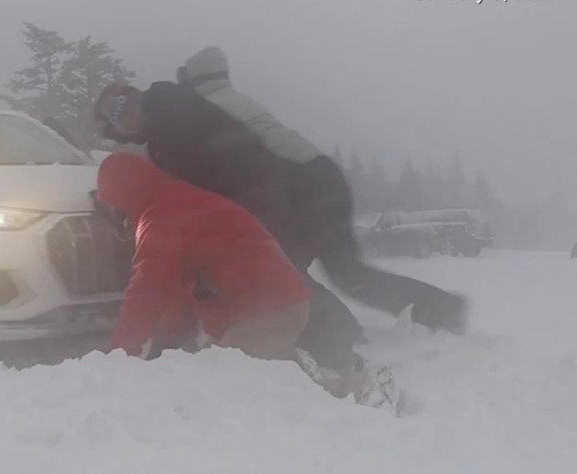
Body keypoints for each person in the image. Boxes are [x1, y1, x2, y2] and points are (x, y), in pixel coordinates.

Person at [94, 79, 466, 373]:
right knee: (334, 272)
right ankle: (367, 332)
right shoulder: (171, 119)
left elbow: (242, 161)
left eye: (125, 99)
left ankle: (346, 343)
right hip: (292, 190)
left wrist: (267, 217)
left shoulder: (172, 123)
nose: (126, 111)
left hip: (290, 193)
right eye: (116, 113)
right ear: (117, 130)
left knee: (297, 274)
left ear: (136, 93)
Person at [177, 47, 468, 335]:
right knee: (345, 272)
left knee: (287, 272)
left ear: (194, 80)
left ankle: (337, 336)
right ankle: (440, 310)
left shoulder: (212, 110)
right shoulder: (236, 101)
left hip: (305, 189)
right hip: (322, 178)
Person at [97, 152, 310, 361]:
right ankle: (325, 387)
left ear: (125, 195)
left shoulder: (161, 219)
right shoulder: (175, 200)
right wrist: (173, 335)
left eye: (114, 208)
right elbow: (177, 287)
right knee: (209, 376)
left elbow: (148, 288)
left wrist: (120, 351)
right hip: (269, 304)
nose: (118, 219)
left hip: (265, 311)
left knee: (222, 386)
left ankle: (330, 391)